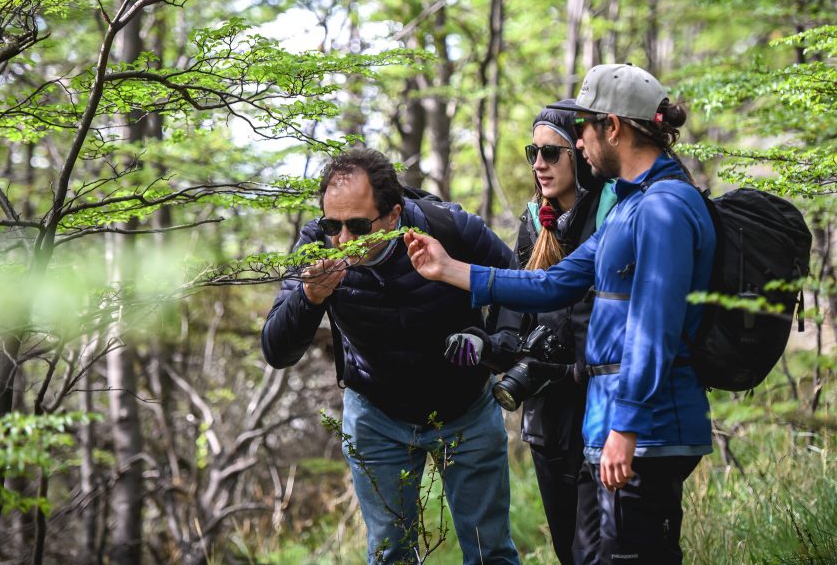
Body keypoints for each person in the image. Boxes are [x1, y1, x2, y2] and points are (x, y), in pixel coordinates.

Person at [406, 63, 715, 563]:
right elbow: (554, 281)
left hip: (643, 433)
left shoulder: (664, 208)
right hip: (611, 429)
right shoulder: (631, 209)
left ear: (611, 127)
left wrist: (627, 427)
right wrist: (451, 270)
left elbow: (655, 327)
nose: (581, 146)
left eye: (582, 131)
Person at [261, 148, 520, 564]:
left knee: (490, 550)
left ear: (394, 214)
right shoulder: (316, 247)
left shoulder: (450, 227)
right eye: (333, 224)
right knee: (390, 555)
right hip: (376, 414)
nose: (343, 239)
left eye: (359, 226)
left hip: (466, 409)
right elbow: (276, 350)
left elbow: (518, 284)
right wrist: (309, 298)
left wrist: (494, 345)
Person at [442, 106, 614, 563]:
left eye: (551, 153)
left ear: (579, 155)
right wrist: (484, 346)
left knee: (603, 551)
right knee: (568, 549)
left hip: (601, 415)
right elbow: (513, 324)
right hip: (545, 421)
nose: (539, 163)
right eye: (533, 152)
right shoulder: (534, 224)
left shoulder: (612, 218)